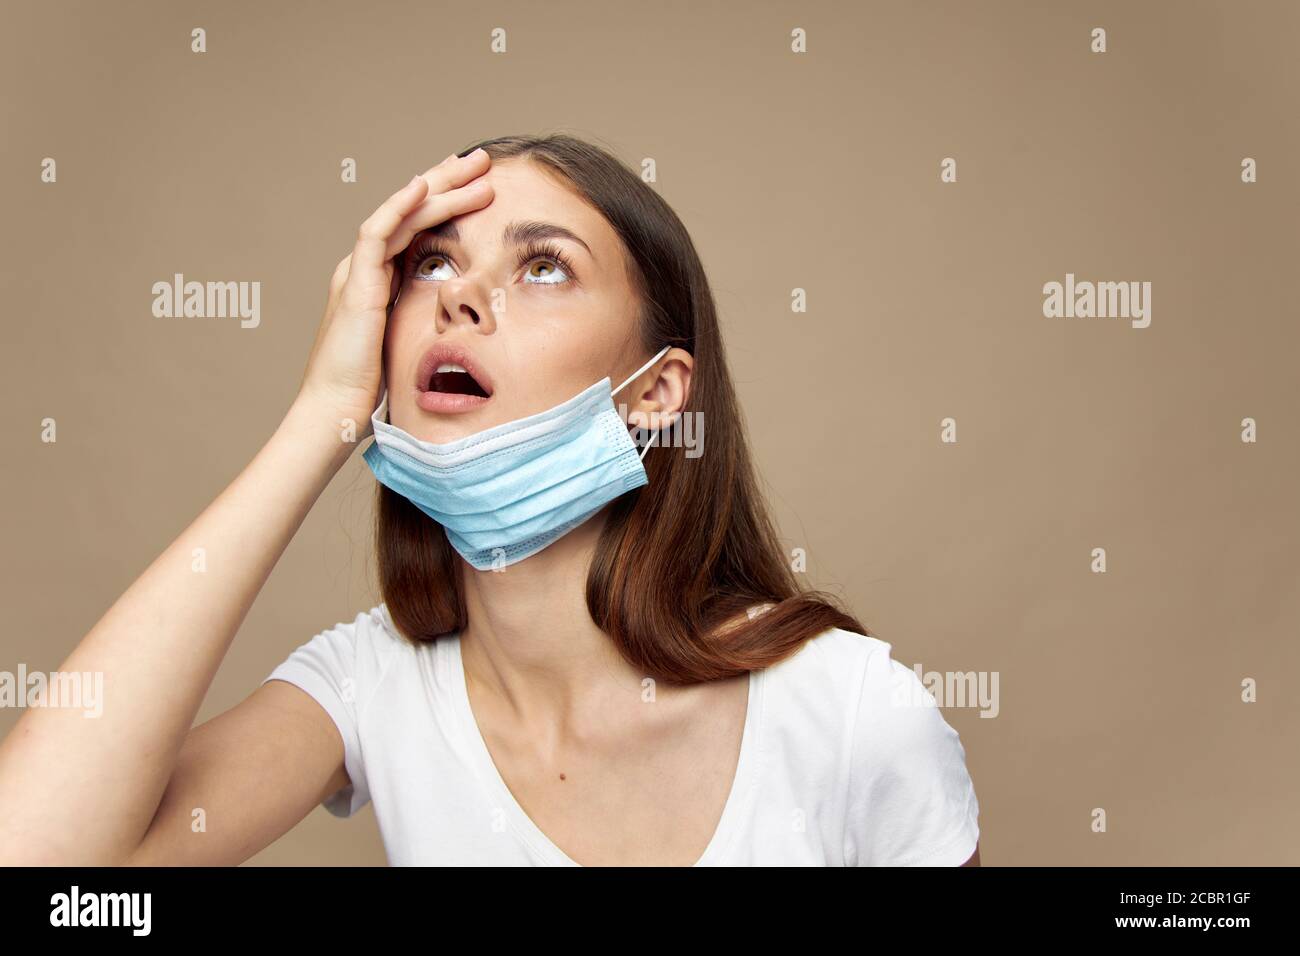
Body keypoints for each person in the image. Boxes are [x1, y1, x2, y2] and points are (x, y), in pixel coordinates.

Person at [0, 134, 980, 866]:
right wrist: (322, 415)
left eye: (541, 264)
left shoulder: (850, 707)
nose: (457, 297)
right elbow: (40, 860)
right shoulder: (367, 688)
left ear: (653, 394)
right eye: (433, 260)